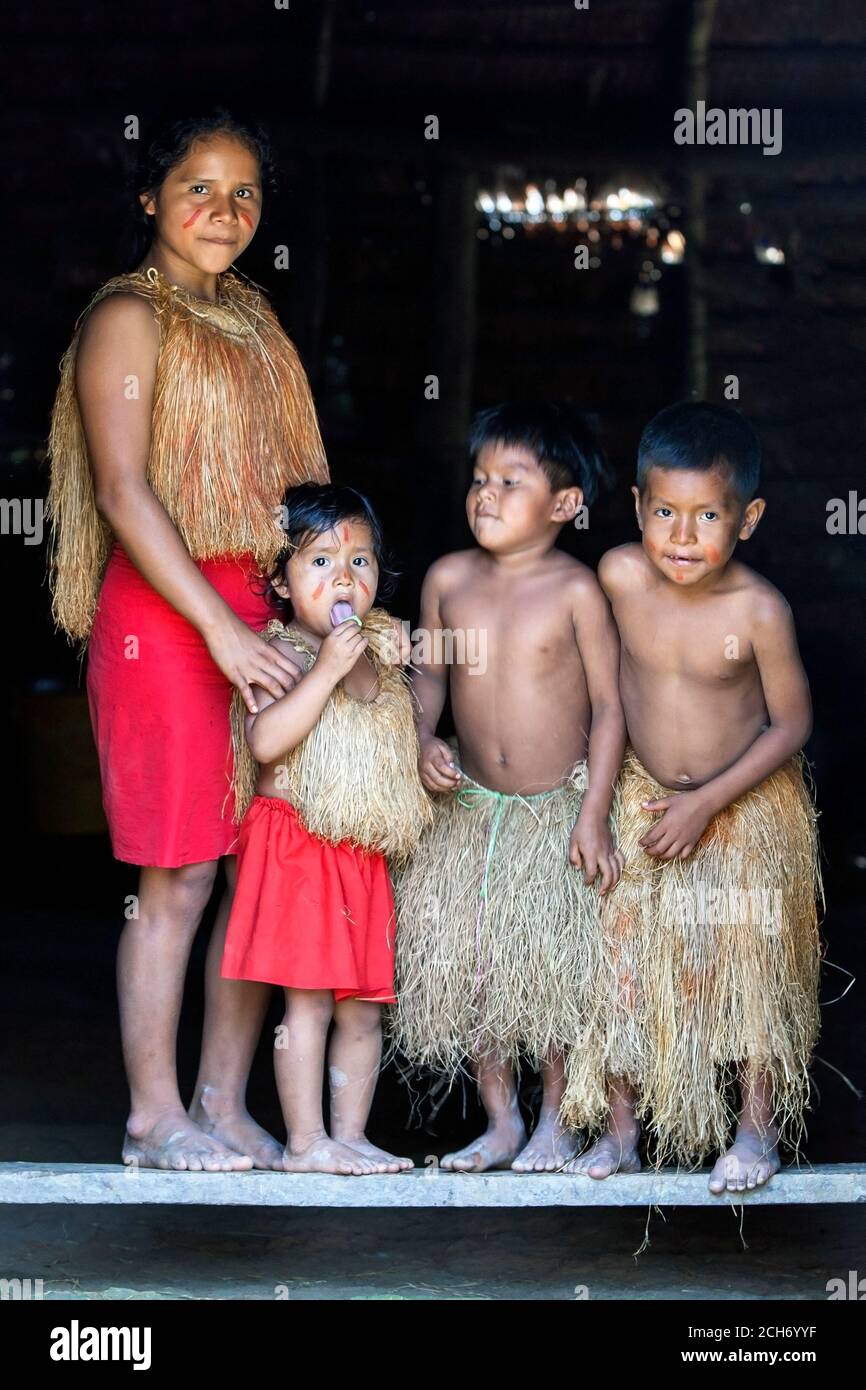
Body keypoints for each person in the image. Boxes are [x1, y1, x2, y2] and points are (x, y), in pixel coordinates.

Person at [46, 109, 329, 1171]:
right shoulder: (128, 317)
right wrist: (216, 628)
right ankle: (152, 1114)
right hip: (167, 621)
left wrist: (316, 616)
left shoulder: (254, 320)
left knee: (255, 870)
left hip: (257, 613)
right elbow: (122, 491)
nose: (225, 210)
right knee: (179, 877)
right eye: (199, 187)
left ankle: (222, 1099)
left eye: (246, 192)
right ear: (150, 199)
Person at [561, 401, 822, 1193]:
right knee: (622, 964)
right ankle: (617, 1132)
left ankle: (755, 1132)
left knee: (749, 968)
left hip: (741, 805)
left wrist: (707, 801)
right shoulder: (617, 575)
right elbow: (601, 696)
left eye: (707, 516)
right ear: (637, 506)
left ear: (748, 519)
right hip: (642, 798)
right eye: (665, 513)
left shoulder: (759, 610)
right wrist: (595, 803)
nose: (681, 537)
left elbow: (793, 722)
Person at [390, 401, 625, 1172]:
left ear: (564, 505)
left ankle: (556, 1119)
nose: (485, 493)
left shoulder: (576, 590)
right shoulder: (449, 580)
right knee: (481, 966)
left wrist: (593, 812)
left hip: (551, 812)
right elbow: (429, 676)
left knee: (548, 974)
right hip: (472, 808)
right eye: (479, 478)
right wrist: (423, 738)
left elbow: (607, 706)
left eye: (510, 481)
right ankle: (500, 1120)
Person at [222, 483, 431, 1174]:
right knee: (306, 1006)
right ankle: (306, 1143)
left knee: (365, 1009)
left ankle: (351, 1135)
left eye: (361, 561)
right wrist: (328, 669)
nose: (345, 576)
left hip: (359, 851)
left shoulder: (379, 648)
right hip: (296, 845)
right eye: (320, 562)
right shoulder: (277, 651)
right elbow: (265, 741)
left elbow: (389, 718)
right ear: (281, 580)